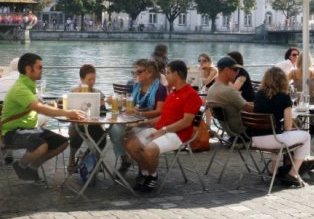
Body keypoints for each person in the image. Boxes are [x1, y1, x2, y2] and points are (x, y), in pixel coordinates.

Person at [0, 53, 85, 180]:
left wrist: (49, 106)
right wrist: (68, 113)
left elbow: (36, 106)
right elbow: (38, 108)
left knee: (62, 143)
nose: (42, 70)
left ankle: (33, 167)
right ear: (29, 69)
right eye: (39, 67)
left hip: (29, 129)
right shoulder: (21, 88)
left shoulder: (29, 86)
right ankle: (21, 165)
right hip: (13, 132)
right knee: (42, 146)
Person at [124, 60, 203, 194]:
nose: (165, 76)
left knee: (149, 149)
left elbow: (186, 122)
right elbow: (164, 117)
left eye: (168, 73)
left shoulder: (191, 95)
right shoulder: (172, 93)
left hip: (178, 134)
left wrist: (163, 130)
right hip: (161, 130)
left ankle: (153, 175)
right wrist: (143, 123)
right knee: (130, 144)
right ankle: (144, 172)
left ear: (176, 74)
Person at [250, 67, 314, 187]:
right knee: (305, 136)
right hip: (274, 140)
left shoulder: (259, 95)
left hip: (256, 140)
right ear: (283, 81)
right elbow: (288, 126)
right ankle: (293, 173)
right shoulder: (284, 98)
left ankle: (273, 170)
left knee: (278, 133)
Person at [67, 63, 108, 173]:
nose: (92, 82)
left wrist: (101, 105)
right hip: (77, 125)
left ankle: (87, 158)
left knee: (102, 137)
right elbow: (67, 112)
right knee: (77, 134)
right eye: (89, 80)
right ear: (81, 79)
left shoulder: (98, 93)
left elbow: (104, 114)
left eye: (94, 79)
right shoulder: (73, 92)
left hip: (94, 125)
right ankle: (71, 160)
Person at [205, 57, 249, 139]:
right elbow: (249, 109)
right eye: (235, 70)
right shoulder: (229, 92)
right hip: (243, 132)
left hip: (230, 131)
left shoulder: (212, 89)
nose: (237, 72)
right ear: (226, 70)